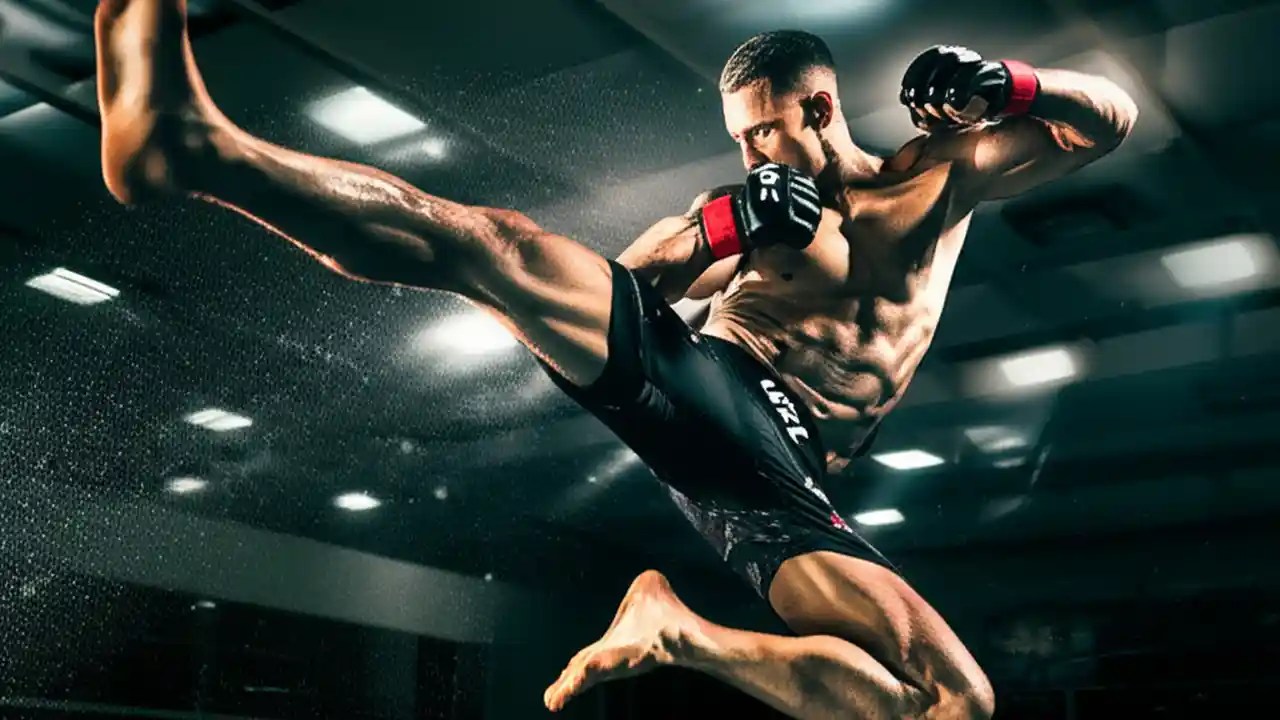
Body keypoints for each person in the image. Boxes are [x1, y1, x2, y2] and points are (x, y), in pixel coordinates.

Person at [93, 1, 1136, 716]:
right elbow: (633, 283)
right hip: (715, 389)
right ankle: (197, 150)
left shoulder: (936, 178)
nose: (746, 154)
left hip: (781, 481)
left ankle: (680, 634)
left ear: (819, 108)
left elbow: (1106, 121)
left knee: (953, 703)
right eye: (736, 139)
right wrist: (726, 223)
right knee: (500, 249)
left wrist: (1011, 83)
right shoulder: (741, 207)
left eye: (759, 133)